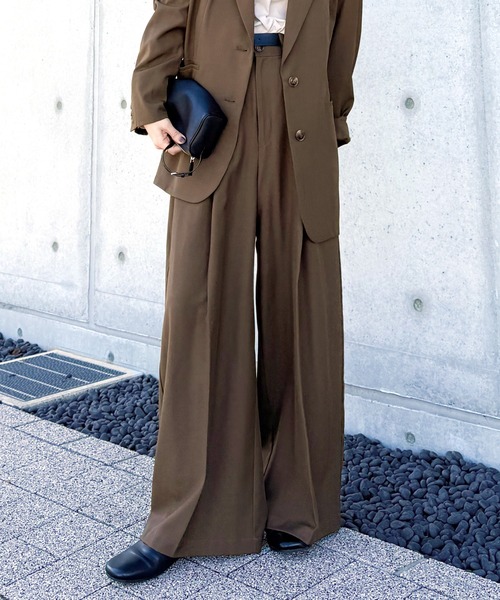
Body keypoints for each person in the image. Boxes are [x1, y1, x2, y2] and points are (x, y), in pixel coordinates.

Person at [105, 0, 363, 582]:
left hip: (302, 118)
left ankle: (297, 504)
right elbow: (170, 12)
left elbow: (343, 29)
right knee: (200, 311)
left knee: (302, 311)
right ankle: (189, 516)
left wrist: (332, 115)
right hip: (214, 118)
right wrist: (150, 102)